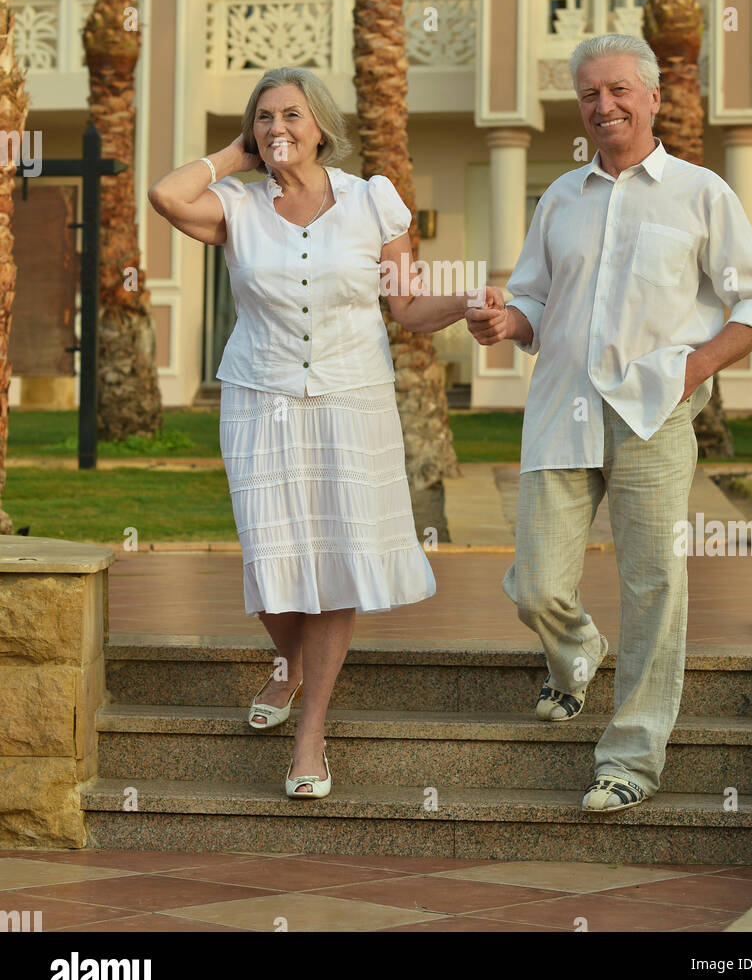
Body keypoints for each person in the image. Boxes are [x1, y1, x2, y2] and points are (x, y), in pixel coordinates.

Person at [148, 66, 495, 798]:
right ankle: (291, 661)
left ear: (322, 126)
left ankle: (311, 730)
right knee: (270, 552)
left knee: (334, 557)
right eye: (265, 118)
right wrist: (234, 155)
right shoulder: (236, 206)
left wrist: (464, 303)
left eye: (292, 115)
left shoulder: (372, 201)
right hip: (259, 392)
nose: (279, 128)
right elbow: (163, 195)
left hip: (351, 394)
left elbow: (403, 309)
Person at [466, 32, 752, 813]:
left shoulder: (701, 192)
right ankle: (575, 653)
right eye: (587, 95)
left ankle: (630, 760)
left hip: (653, 414)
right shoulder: (560, 198)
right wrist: (507, 325)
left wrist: (691, 368)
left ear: (650, 98)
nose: (601, 106)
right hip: (559, 410)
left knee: (652, 585)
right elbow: (534, 298)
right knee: (536, 583)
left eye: (615, 91)